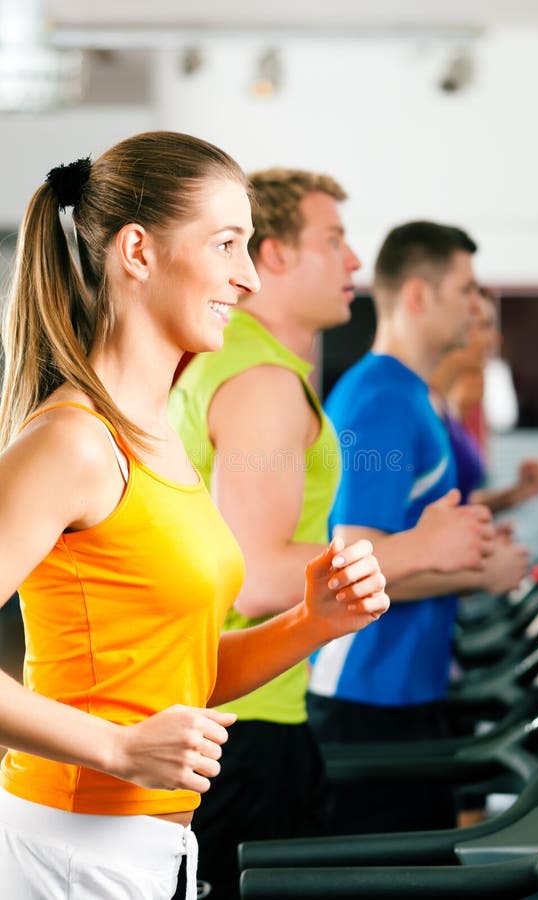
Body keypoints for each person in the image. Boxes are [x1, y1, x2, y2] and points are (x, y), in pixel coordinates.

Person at [0, 132, 391, 900]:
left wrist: (312, 622)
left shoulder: (152, 436)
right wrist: (116, 748)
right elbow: (125, 730)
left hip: (150, 845)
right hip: (70, 845)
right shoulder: (72, 442)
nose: (248, 276)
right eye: (225, 243)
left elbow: (181, 670)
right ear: (138, 252)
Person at [169, 172, 495, 896]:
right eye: (334, 241)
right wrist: (423, 549)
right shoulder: (260, 382)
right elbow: (258, 578)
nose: (354, 262)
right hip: (246, 719)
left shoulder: (251, 365)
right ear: (275, 254)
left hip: (249, 709)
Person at [307, 220, 530, 835]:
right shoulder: (382, 400)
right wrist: (477, 574)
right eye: (466, 289)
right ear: (417, 295)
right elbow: (353, 567)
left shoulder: (409, 395)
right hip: (366, 693)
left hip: (406, 686)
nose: (478, 306)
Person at [431, 287, 538, 512]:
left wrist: (518, 492)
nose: (495, 338)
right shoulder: (417, 405)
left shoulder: (444, 407)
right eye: (484, 325)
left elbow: (457, 504)